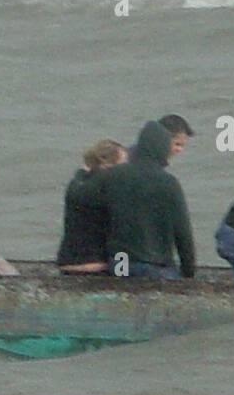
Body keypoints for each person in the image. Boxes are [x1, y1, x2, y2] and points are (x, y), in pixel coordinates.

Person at [96, 120, 195, 280]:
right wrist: (188, 273)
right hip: (156, 265)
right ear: (162, 148)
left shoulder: (113, 175)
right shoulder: (168, 182)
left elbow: (99, 219)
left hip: (121, 263)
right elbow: (182, 232)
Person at [57, 139, 127, 273]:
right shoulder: (107, 187)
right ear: (107, 165)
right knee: (126, 252)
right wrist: (122, 270)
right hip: (95, 263)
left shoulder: (77, 182)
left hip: (66, 260)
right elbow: (120, 233)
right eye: (122, 165)